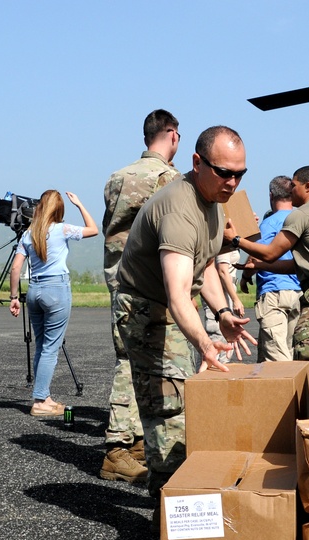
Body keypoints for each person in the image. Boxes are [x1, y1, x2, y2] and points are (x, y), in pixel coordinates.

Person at [115, 125, 255, 499]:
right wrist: (204, 342)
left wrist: (222, 311)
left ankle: (176, 502)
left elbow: (203, 265)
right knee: (168, 410)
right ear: (197, 162)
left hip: (168, 306)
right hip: (145, 309)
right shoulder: (180, 207)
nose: (232, 182)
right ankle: (169, 515)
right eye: (224, 172)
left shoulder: (213, 203)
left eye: (240, 173)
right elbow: (178, 294)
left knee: (181, 403)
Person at [100, 109, 181, 482]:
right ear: (172, 136)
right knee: (137, 364)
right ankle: (118, 447)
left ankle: (133, 444)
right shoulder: (169, 178)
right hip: (148, 283)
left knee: (127, 356)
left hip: (118, 277)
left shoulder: (117, 177)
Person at [226, 165, 309, 360]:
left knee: (305, 359)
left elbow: (271, 252)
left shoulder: (301, 214)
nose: (290, 190)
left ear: (307, 187)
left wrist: (236, 239)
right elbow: (298, 265)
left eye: (294, 185)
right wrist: (258, 266)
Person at [9, 191, 98, 414]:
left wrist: (13, 297)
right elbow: (94, 229)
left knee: (42, 345)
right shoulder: (62, 229)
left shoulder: (28, 234)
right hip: (56, 290)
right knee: (51, 348)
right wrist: (79, 204)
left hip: (34, 291)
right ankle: (40, 401)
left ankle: (45, 396)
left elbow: (15, 267)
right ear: (58, 209)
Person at [242, 176, 302, 362]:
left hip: (274, 292)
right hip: (299, 292)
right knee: (291, 351)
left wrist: (245, 276)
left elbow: (258, 254)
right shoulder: (302, 219)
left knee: (277, 356)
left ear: (271, 195)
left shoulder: (269, 223)